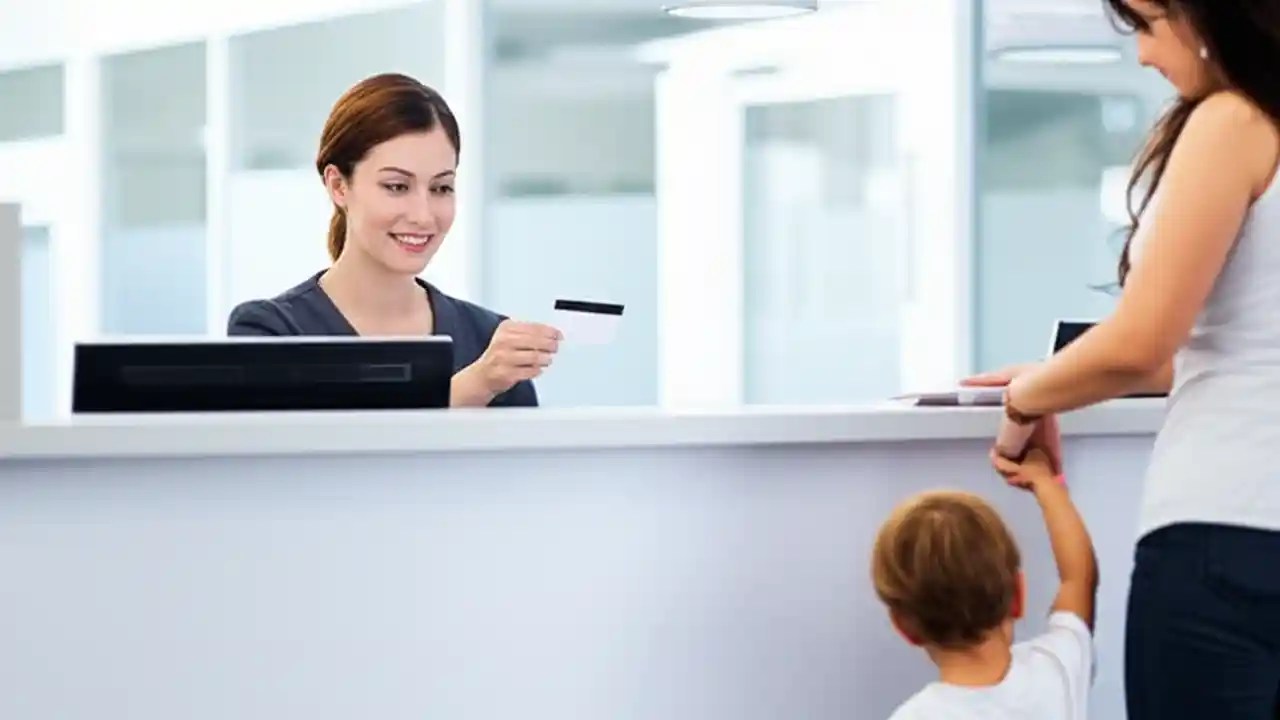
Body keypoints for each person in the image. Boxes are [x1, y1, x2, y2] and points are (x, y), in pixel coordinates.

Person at [967, 1, 1280, 716]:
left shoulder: (1233, 121)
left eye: (1146, 22)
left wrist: (1026, 405)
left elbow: (1142, 345)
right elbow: (1226, 347)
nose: (1141, 54)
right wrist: (1054, 378)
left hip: (1228, 537)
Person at [227, 73, 561, 408]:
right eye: (397, 187)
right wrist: (472, 387)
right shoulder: (272, 334)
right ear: (338, 186)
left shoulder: (490, 343)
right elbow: (331, 452)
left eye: (441, 188)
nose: (423, 215)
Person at [871, 447, 1098, 720]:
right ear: (1018, 595)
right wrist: (1046, 484)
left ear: (905, 627)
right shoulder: (1057, 668)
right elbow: (1079, 578)